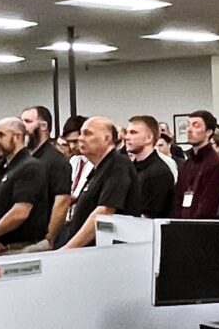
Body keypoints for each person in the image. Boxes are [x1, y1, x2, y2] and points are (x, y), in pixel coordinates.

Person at [58, 116, 139, 248]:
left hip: (105, 254)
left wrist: (68, 249)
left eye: (87, 134)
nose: (80, 138)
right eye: (81, 133)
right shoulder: (97, 168)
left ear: (106, 138)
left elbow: (104, 212)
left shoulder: (118, 165)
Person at [0, 118, 50, 255]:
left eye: (1, 135)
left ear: (17, 137)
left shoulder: (31, 167)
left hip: (20, 248)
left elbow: (20, 213)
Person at [21, 106, 75, 249]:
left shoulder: (55, 161)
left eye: (27, 121)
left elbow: (62, 202)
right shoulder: (25, 159)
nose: (22, 127)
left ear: (43, 126)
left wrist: (49, 239)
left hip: (41, 239)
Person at [173, 109, 219, 219]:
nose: (189, 130)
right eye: (188, 125)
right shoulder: (186, 165)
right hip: (182, 225)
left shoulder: (218, 164)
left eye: (196, 125)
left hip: (203, 226)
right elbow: (177, 199)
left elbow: (210, 204)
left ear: (208, 132)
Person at [125, 115, 173, 218]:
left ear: (149, 138)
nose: (127, 137)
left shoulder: (159, 173)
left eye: (133, 132)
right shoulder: (131, 169)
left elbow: (149, 216)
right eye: (127, 132)